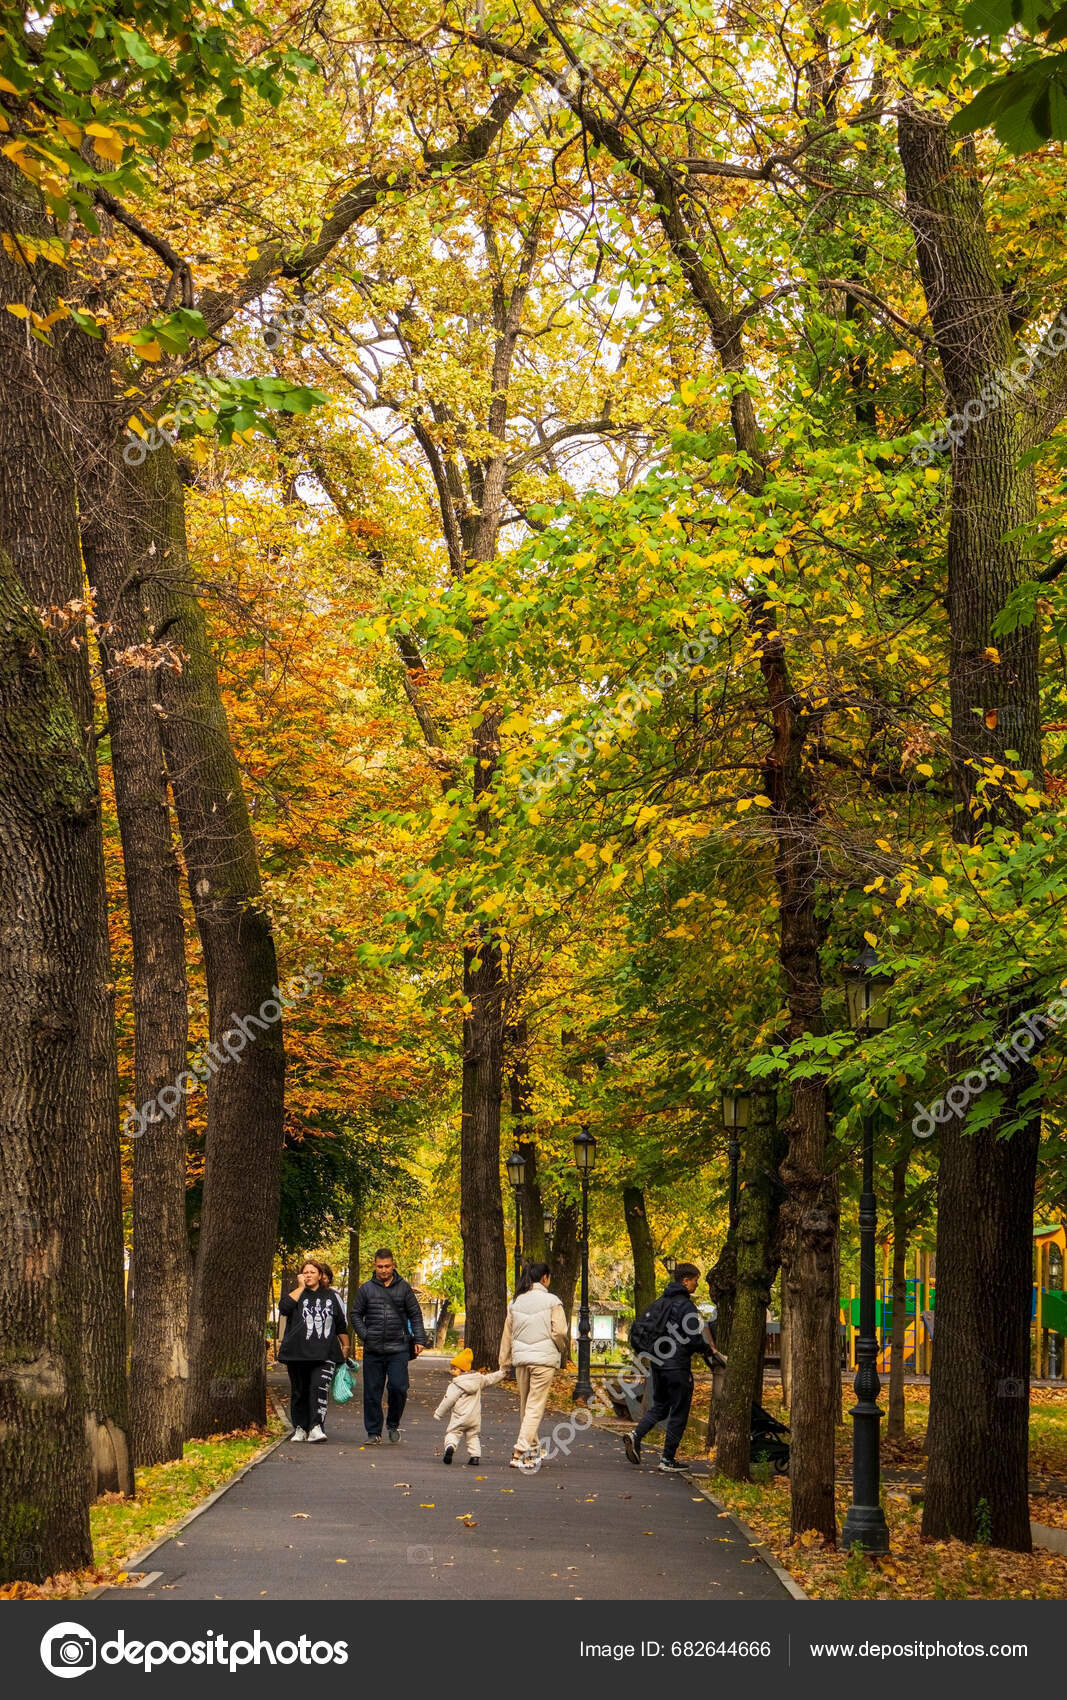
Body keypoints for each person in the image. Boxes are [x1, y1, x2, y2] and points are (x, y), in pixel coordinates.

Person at [624, 1261, 718, 1473]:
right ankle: (667, 1459)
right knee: (679, 1411)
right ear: (685, 1281)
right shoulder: (686, 1306)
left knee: (660, 1406)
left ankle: (636, 1435)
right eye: (695, 1281)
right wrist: (707, 1349)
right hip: (677, 1367)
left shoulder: (660, 1303)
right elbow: (693, 1339)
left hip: (658, 1364)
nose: (696, 1285)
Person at [348, 1247, 426, 1443]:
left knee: (399, 1388)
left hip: (398, 1348)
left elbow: (415, 1313)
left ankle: (393, 1424)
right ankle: (373, 1432)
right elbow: (355, 1314)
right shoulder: (366, 1289)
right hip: (373, 1349)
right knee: (372, 1392)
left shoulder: (404, 1288)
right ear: (374, 1266)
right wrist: (365, 1335)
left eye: (387, 1266)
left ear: (394, 1266)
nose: (383, 1270)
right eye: (380, 1267)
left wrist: (419, 1339)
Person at [498, 1261, 569, 1469]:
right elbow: (561, 1331)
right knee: (535, 1406)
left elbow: (507, 1335)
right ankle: (519, 1451)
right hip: (543, 1361)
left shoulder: (516, 1302)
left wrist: (504, 1363)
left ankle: (534, 1450)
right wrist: (558, 1348)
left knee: (526, 1406)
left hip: (522, 1361)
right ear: (544, 1278)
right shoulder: (552, 1301)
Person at [278, 1258, 349, 1443]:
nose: (308, 1275)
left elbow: (340, 1324)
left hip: (324, 1353)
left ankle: (316, 1427)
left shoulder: (331, 1296)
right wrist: (301, 1288)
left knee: (318, 1389)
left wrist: (346, 1346)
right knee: (299, 1392)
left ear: (320, 1275)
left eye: (312, 1272)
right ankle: (300, 1428)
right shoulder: (295, 1294)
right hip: (296, 1353)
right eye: (305, 1272)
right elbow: (284, 1308)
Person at [433, 1348, 506, 1465]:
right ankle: (475, 1456)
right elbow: (490, 1379)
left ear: (462, 1370)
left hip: (459, 1416)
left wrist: (438, 1413)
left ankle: (450, 1447)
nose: (451, 1371)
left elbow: (448, 1400)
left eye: (454, 1368)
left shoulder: (456, 1384)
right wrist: (502, 1373)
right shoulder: (479, 1379)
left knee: (453, 1432)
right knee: (473, 1436)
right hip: (474, 1417)